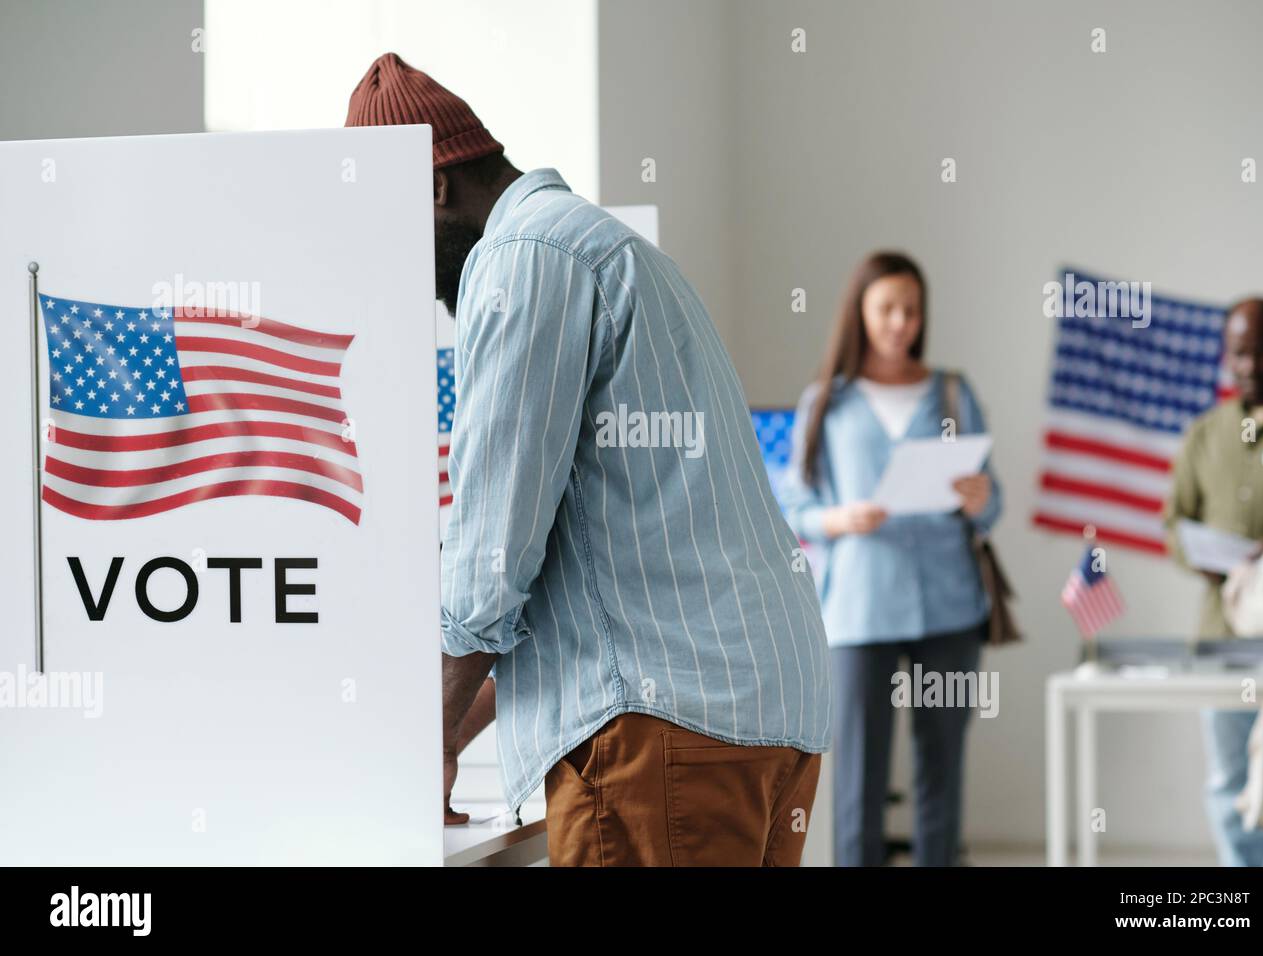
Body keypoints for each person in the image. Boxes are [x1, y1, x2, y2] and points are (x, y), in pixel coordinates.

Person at [344, 53, 830, 866]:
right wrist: (468, 715)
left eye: (383, 233)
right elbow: (610, 562)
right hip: (754, 717)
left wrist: (427, 735)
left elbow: (494, 546)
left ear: (433, 189)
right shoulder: (603, 248)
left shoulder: (523, 259)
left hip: (660, 736)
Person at [782, 251, 1001, 866]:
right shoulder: (827, 401)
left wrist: (980, 499)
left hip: (950, 608)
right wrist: (837, 519)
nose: (900, 321)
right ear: (860, 313)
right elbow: (793, 505)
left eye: (911, 309)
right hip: (859, 610)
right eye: (887, 308)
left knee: (942, 769)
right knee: (858, 779)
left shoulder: (953, 392)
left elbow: (993, 502)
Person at [1165, 296, 1263, 867]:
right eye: (1238, 354)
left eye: (1261, 351)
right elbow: (1175, 523)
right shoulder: (1205, 433)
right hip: (1222, 634)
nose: (1249, 365)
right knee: (1229, 775)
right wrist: (1203, 556)